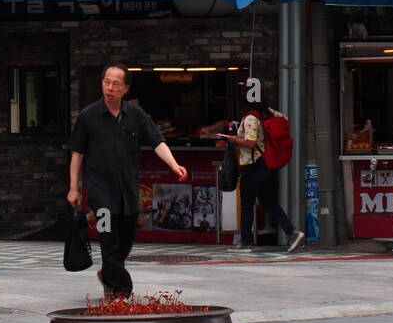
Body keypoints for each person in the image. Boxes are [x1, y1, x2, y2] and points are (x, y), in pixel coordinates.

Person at [67, 62, 188, 297]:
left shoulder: (136, 115)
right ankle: (121, 290)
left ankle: (109, 273)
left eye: (116, 84)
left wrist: (174, 164)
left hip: (128, 191)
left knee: (126, 239)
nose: (110, 88)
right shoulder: (88, 116)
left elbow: (157, 141)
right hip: (100, 193)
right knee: (108, 238)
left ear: (126, 88)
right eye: (106, 82)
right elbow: (77, 153)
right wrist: (74, 188)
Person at [218, 90, 305, 254]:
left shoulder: (250, 118)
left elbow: (250, 143)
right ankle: (293, 233)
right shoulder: (268, 113)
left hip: (253, 166)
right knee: (270, 203)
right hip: (268, 164)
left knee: (247, 204)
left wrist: (234, 140)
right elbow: (284, 119)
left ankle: (245, 242)